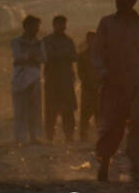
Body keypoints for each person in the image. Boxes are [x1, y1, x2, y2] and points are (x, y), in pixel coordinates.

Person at [93, 0, 139, 182]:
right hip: (113, 80)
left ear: (133, 1)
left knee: (138, 122)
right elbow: (97, 52)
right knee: (112, 124)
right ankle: (104, 164)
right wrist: (103, 73)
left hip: (138, 80)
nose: (120, 0)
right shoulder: (106, 23)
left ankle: (137, 166)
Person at [42, 15, 78, 143]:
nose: (61, 27)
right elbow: (48, 56)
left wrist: (60, 55)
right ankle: (50, 136)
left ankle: (69, 136)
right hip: (52, 79)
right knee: (51, 110)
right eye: (59, 24)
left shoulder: (69, 40)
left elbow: (74, 56)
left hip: (67, 80)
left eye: (63, 24)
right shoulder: (47, 40)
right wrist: (63, 55)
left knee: (68, 110)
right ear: (54, 25)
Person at [11, 15, 45, 145]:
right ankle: (20, 138)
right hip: (20, 77)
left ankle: (34, 137)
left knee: (35, 109)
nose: (36, 29)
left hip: (34, 76)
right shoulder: (17, 41)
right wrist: (31, 56)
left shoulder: (39, 42)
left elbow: (43, 58)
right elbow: (18, 56)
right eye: (34, 26)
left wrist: (29, 56)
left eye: (37, 27)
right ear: (27, 27)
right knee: (20, 108)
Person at [76, 30, 100, 140]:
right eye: (90, 39)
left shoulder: (102, 56)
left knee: (99, 111)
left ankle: (100, 134)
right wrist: (87, 83)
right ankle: (83, 134)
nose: (92, 42)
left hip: (99, 87)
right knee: (86, 111)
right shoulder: (82, 56)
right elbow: (80, 73)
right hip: (87, 87)